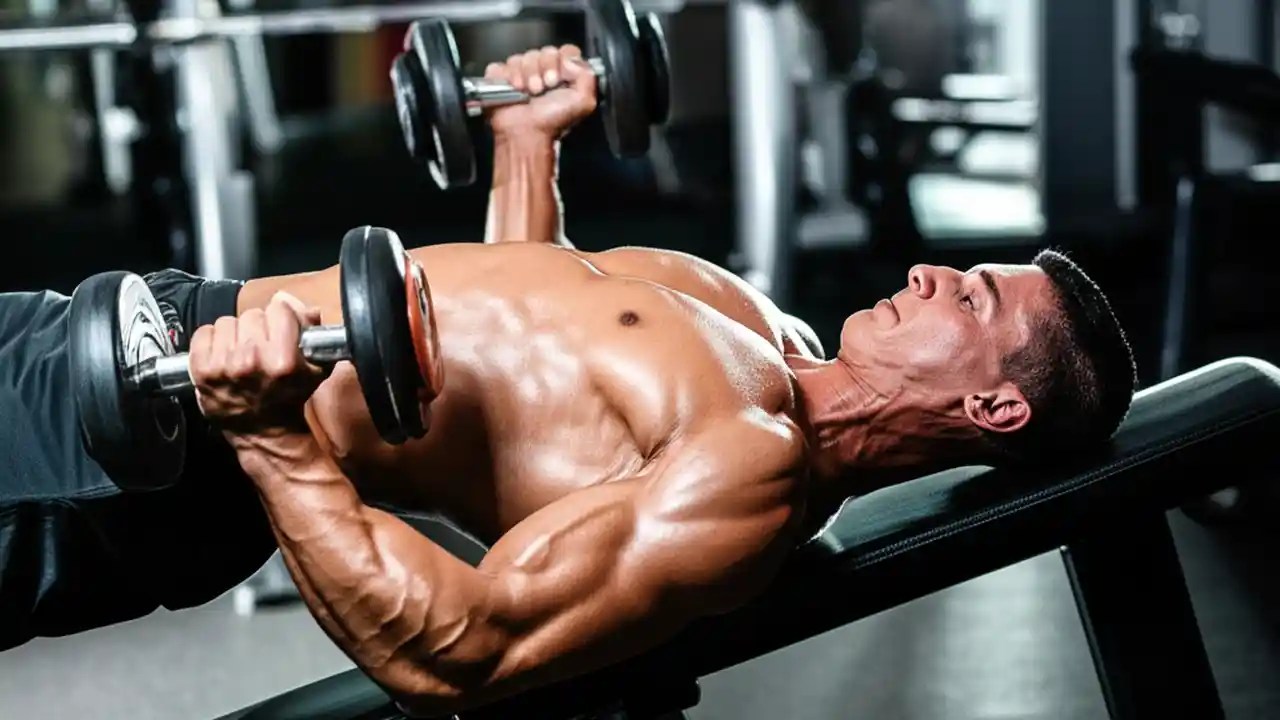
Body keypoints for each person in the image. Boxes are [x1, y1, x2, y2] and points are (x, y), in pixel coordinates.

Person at [0, 44, 1136, 718]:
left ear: (992, 406)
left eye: (973, 300)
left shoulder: (749, 474)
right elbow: (514, 355)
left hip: (143, 444)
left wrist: (271, 437)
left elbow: (466, 648)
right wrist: (528, 145)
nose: (934, 273)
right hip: (151, 339)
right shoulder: (771, 336)